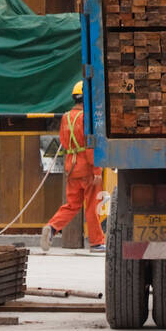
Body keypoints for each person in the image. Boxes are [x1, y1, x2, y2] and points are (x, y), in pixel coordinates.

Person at [40, 81, 104, 252]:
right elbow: (90, 145)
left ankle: (52, 227)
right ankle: (97, 242)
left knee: (72, 204)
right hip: (87, 167)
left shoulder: (65, 117)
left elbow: (63, 141)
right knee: (92, 205)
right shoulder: (87, 118)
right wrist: (97, 170)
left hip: (72, 167)